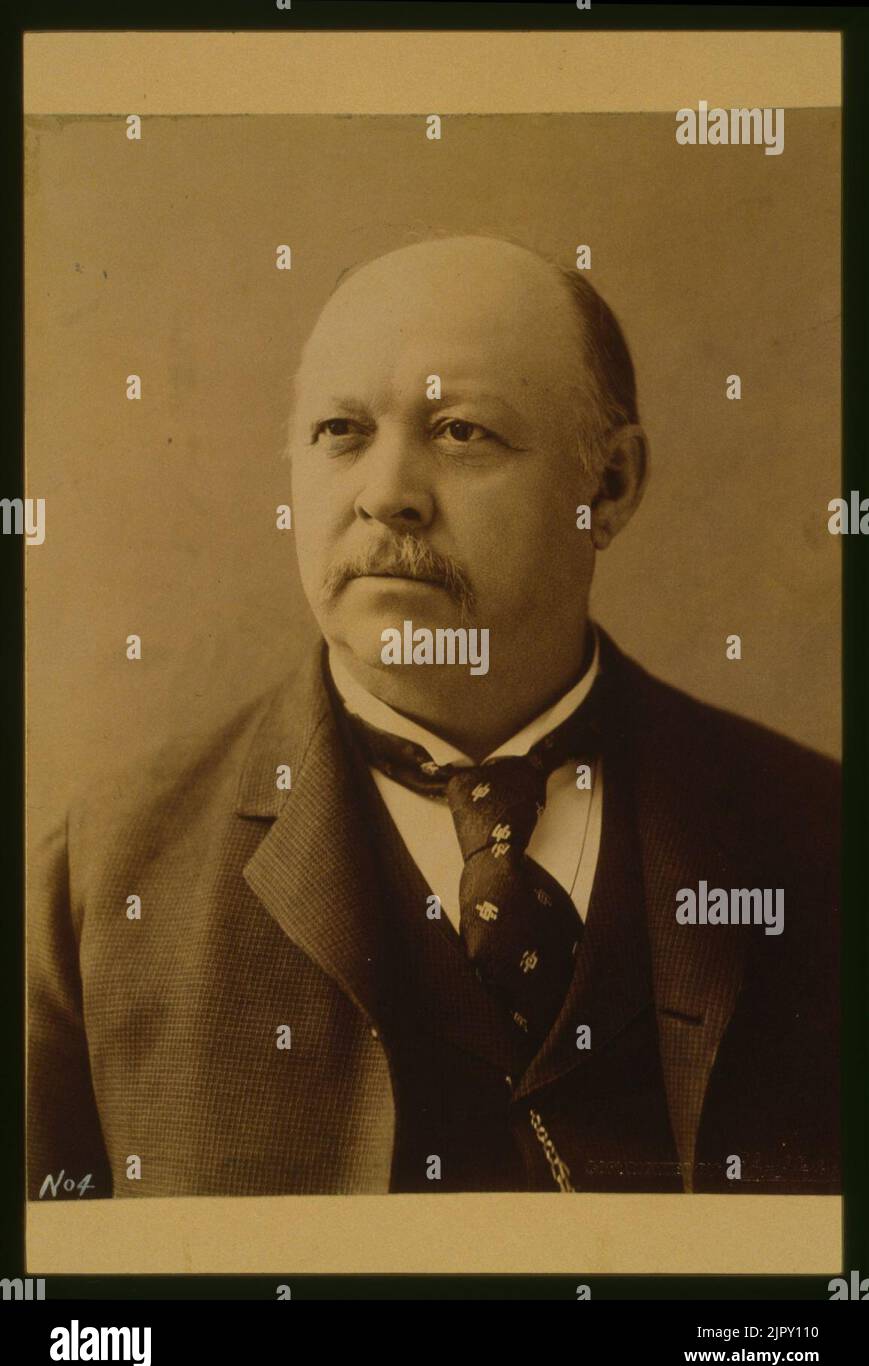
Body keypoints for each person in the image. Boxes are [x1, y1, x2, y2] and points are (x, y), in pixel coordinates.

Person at [28, 235, 839, 1199]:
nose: (386, 497)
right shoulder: (105, 880)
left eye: (460, 432)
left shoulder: (816, 837)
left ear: (609, 487)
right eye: (340, 432)